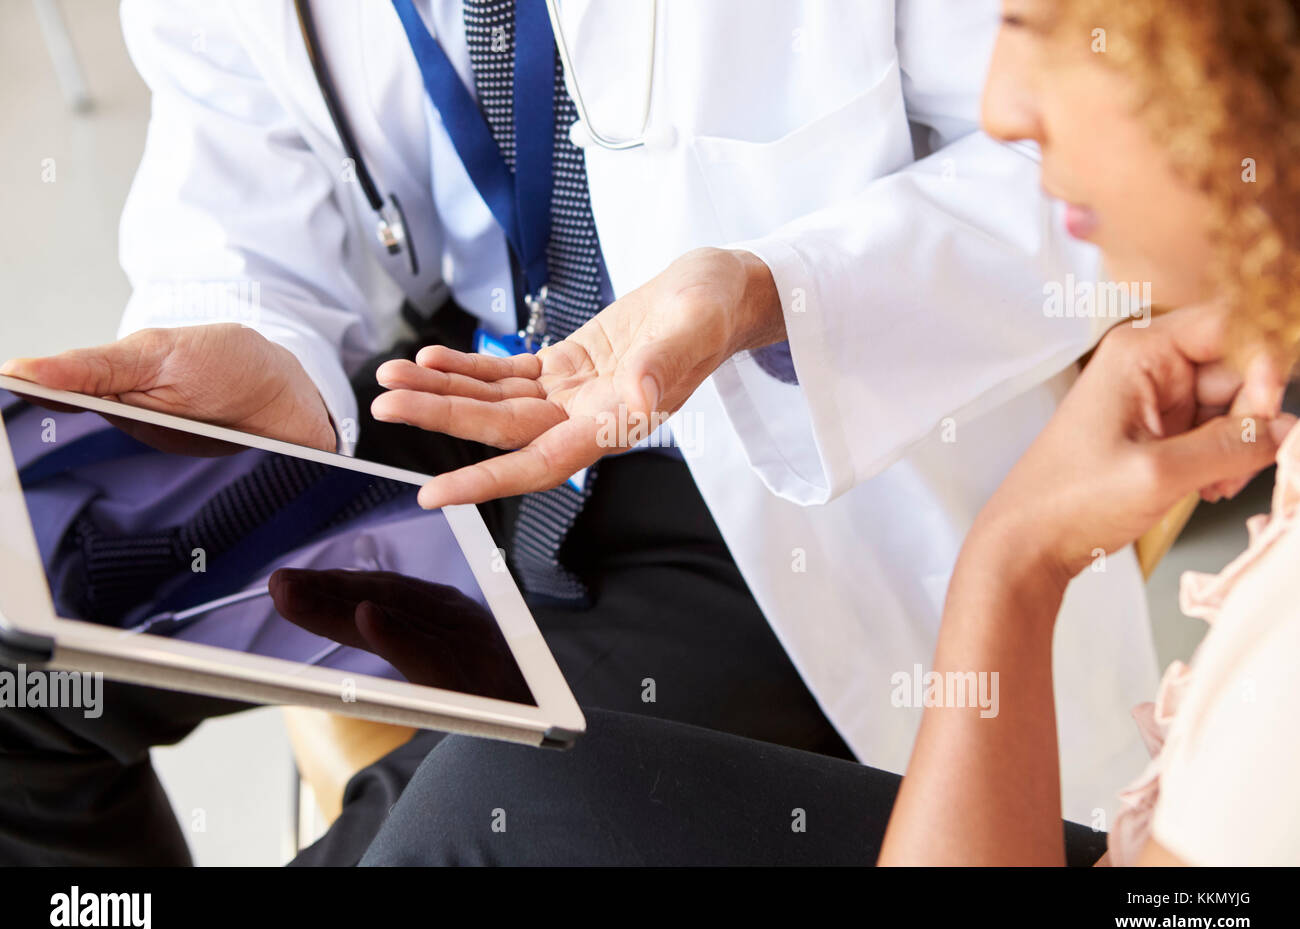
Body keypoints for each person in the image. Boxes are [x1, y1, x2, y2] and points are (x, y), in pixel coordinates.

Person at [4, 0, 1143, 866]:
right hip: (453, 385)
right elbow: (242, 165)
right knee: (20, 642)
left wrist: (768, 290)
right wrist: (253, 335)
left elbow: (1103, 166)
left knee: (449, 833)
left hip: (776, 452)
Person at [354, 0, 1300, 866]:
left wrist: (1012, 555)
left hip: (788, 517)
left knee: (472, 812)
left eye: (1038, 23)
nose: (1005, 105)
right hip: (554, 458)